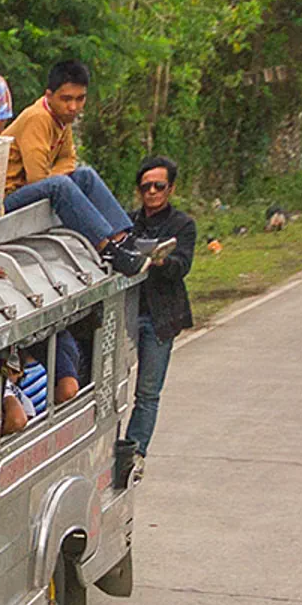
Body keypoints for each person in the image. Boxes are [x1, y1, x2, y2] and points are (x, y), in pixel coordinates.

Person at [2, 61, 149, 276]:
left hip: (34, 186)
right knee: (60, 184)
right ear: (49, 96)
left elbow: (69, 160)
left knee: (85, 175)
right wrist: (58, 179)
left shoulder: (62, 118)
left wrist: (58, 177)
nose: (73, 107)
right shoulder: (38, 118)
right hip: (8, 198)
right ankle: (107, 250)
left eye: (80, 99)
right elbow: (37, 178)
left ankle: (125, 240)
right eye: (66, 99)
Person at [125, 156, 196, 472]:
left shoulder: (182, 225)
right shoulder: (127, 221)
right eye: (146, 187)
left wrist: (160, 260)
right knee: (108, 387)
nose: (152, 192)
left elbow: (182, 266)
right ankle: (109, 447)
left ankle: (135, 451)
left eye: (159, 186)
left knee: (148, 391)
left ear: (170, 188)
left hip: (160, 317)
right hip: (126, 312)